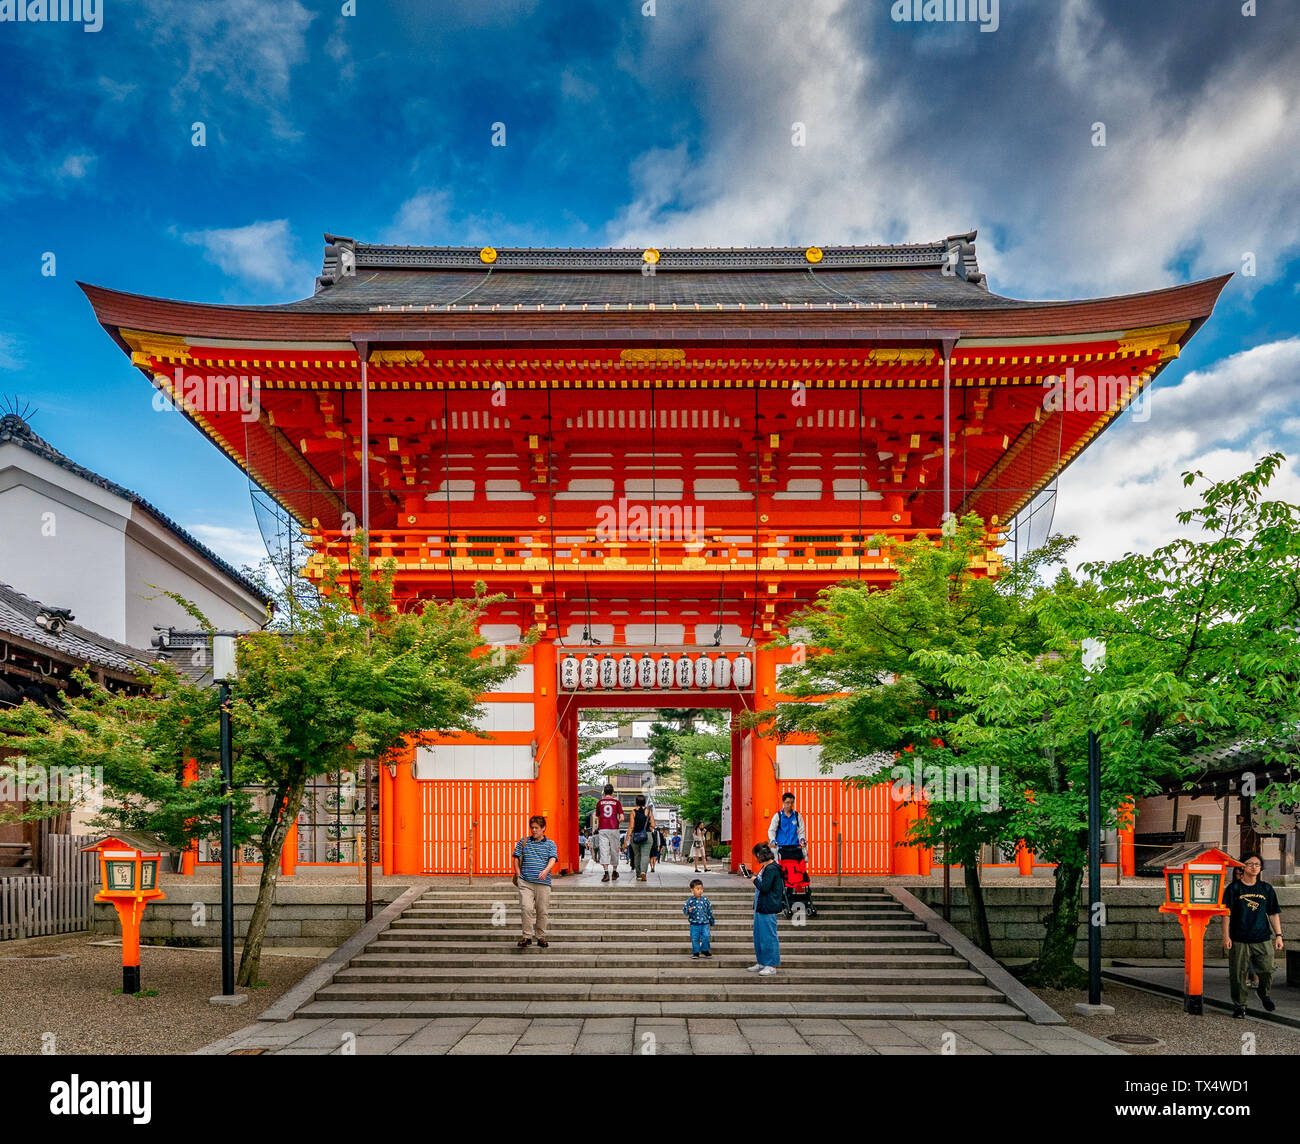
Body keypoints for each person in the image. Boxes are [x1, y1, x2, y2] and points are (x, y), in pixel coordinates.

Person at [1222, 851, 1284, 1017]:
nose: (1254, 867)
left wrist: (1279, 935)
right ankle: (1240, 1006)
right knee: (1238, 974)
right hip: (1239, 937)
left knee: (1268, 969)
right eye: (1250, 864)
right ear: (1242, 867)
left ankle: (1263, 993)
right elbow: (1226, 914)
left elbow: (1273, 913)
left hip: (1262, 937)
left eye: (1257, 864)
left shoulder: (1266, 888)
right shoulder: (1234, 888)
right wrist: (1226, 936)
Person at [512, 815, 557, 949]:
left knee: (542, 910)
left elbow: (553, 859)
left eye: (537, 828)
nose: (534, 830)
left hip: (543, 883)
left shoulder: (550, 844)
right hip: (525, 882)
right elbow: (516, 858)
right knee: (526, 908)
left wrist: (546, 870)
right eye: (532, 828)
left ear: (543, 828)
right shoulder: (524, 841)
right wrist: (519, 875)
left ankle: (540, 936)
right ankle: (526, 936)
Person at [595, 784, 623, 883]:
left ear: (604, 791)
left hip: (603, 828)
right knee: (614, 850)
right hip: (614, 828)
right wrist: (616, 822)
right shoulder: (616, 802)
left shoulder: (600, 802)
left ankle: (606, 873)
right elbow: (622, 817)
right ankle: (614, 872)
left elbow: (598, 816)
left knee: (604, 850)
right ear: (612, 792)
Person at [682, 878, 715, 959]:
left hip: (704, 923)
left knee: (706, 936)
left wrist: (711, 920)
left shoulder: (705, 900)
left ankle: (705, 950)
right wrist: (688, 910)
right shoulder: (690, 901)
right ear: (692, 890)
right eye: (697, 889)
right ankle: (696, 952)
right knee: (695, 938)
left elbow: (709, 911)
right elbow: (684, 910)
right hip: (694, 924)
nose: (700, 891)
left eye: (701, 889)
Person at [628, 795, 656, 881]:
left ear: (636, 802)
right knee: (645, 855)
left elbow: (631, 826)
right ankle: (644, 872)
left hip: (635, 836)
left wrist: (626, 839)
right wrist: (648, 830)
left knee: (637, 855)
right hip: (647, 835)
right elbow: (653, 825)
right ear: (644, 802)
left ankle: (638, 875)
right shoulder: (648, 811)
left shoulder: (633, 812)